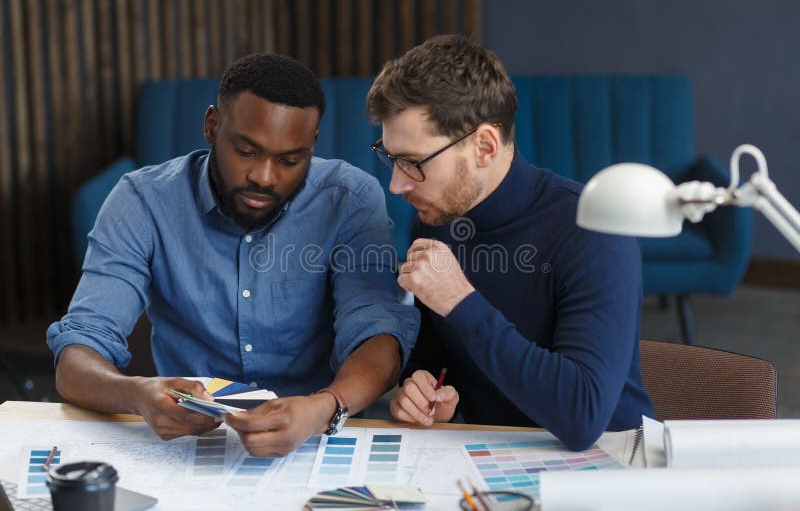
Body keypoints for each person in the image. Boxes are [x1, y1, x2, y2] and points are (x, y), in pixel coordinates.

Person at [47, 53, 419, 456]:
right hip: (185, 442)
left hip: (317, 435)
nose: (264, 177)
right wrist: (136, 393)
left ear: (312, 145)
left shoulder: (351, 200)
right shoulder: (142, 201)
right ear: (212, 125)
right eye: (246, 150)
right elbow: (79, 352)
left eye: (289, 160)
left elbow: (378, 334)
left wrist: (323, 406)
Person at [366, 35, 653, 451]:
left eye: (413, 162)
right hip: (493, 460)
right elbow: (437, 353)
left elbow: (582, 416)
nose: (396, 184)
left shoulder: (593, 231)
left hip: (609, 464)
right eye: (391, 158)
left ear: (484, 146)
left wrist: (460, 300)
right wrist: (424, 388)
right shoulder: (435, 218)